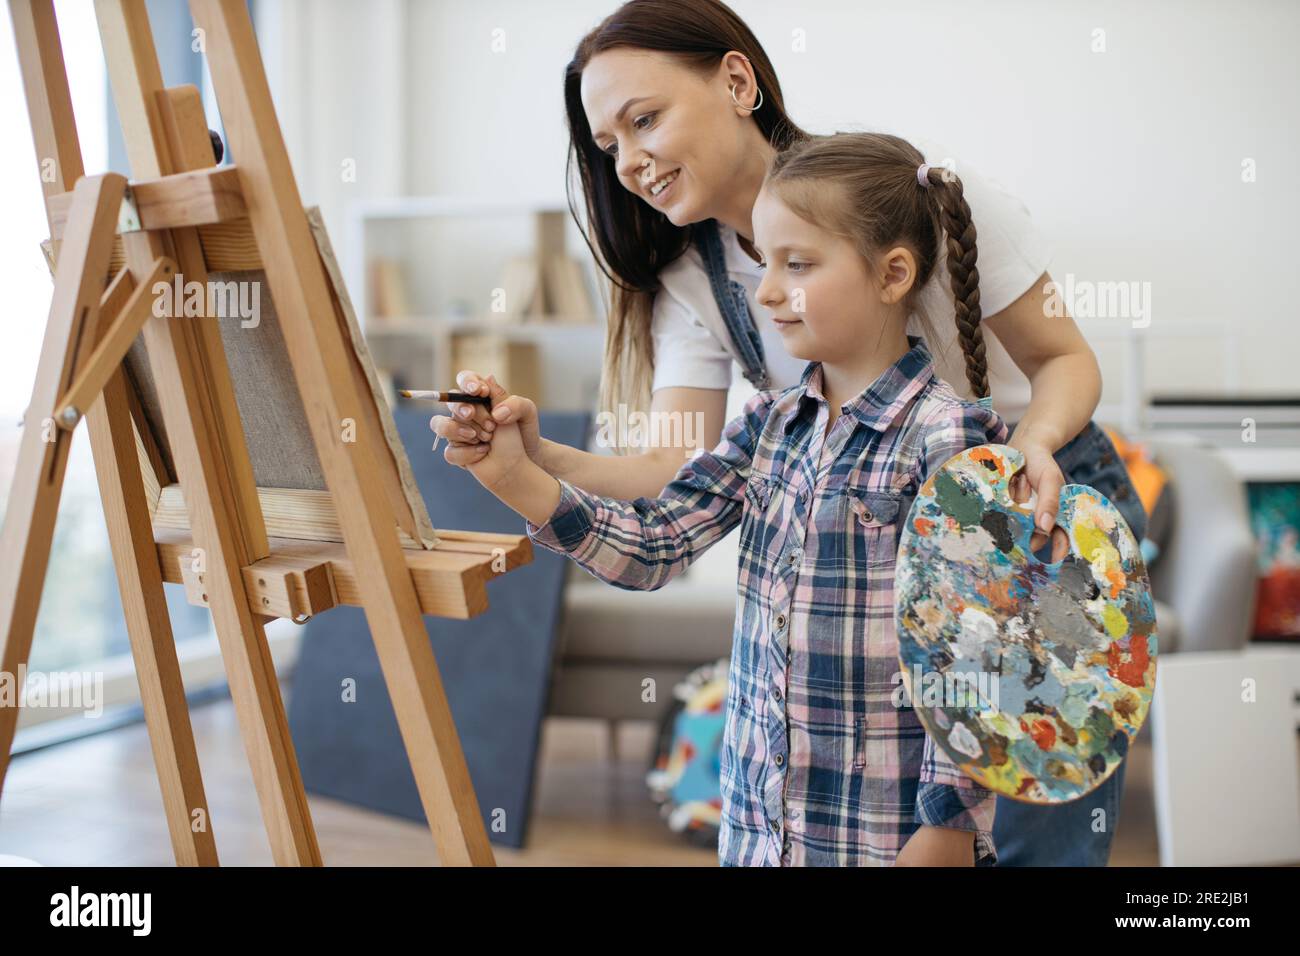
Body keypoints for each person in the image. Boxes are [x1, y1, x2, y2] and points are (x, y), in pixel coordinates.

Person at [433, 0, 1148, 865]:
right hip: (875, 538)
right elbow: (674, 476)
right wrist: (531, 457)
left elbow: (1065, 360)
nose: (626, 162)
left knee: (1030, 833)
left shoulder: (923, 201)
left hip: (1036, 502)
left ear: (737, 81)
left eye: (644, 119)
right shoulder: (701, 296)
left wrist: (1025, 449)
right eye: (607, 144)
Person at [461, 131, 1011, 865]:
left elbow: (973, 652)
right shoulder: (768, 425)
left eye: (799, 264)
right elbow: (652, 548)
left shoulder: (951, 439)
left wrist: (949, 823)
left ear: (893, 275)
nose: (767, 291)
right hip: (759, 834)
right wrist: (514, 476)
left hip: (886, 839)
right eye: (765, 263)